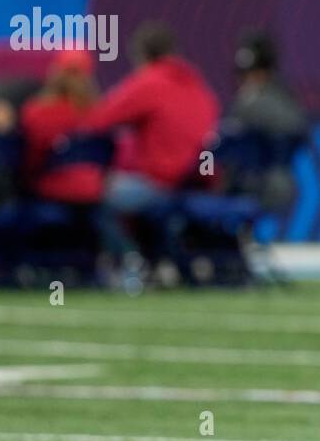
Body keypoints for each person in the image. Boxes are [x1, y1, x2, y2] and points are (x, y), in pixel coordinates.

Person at [81, 23, 219, 271]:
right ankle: (155, 261)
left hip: (161, 184)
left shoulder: (150, 83)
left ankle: (129, 263)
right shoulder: (198, 85)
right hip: (196, 184)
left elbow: (97, 121)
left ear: (142, 57)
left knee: (91, 194)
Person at [222, 31, 307, 210]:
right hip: (279, 188)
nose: (245, 81)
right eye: (243, 74)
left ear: (264, 72)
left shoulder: (255, 101)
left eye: (251, 74)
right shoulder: (285, 100)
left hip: (261, 191)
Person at [19, 47, 103, 204]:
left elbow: (30, 160)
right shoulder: (98, 112)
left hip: (49, 188)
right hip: (94, 189)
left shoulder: (37, 112)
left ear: (54, 74)